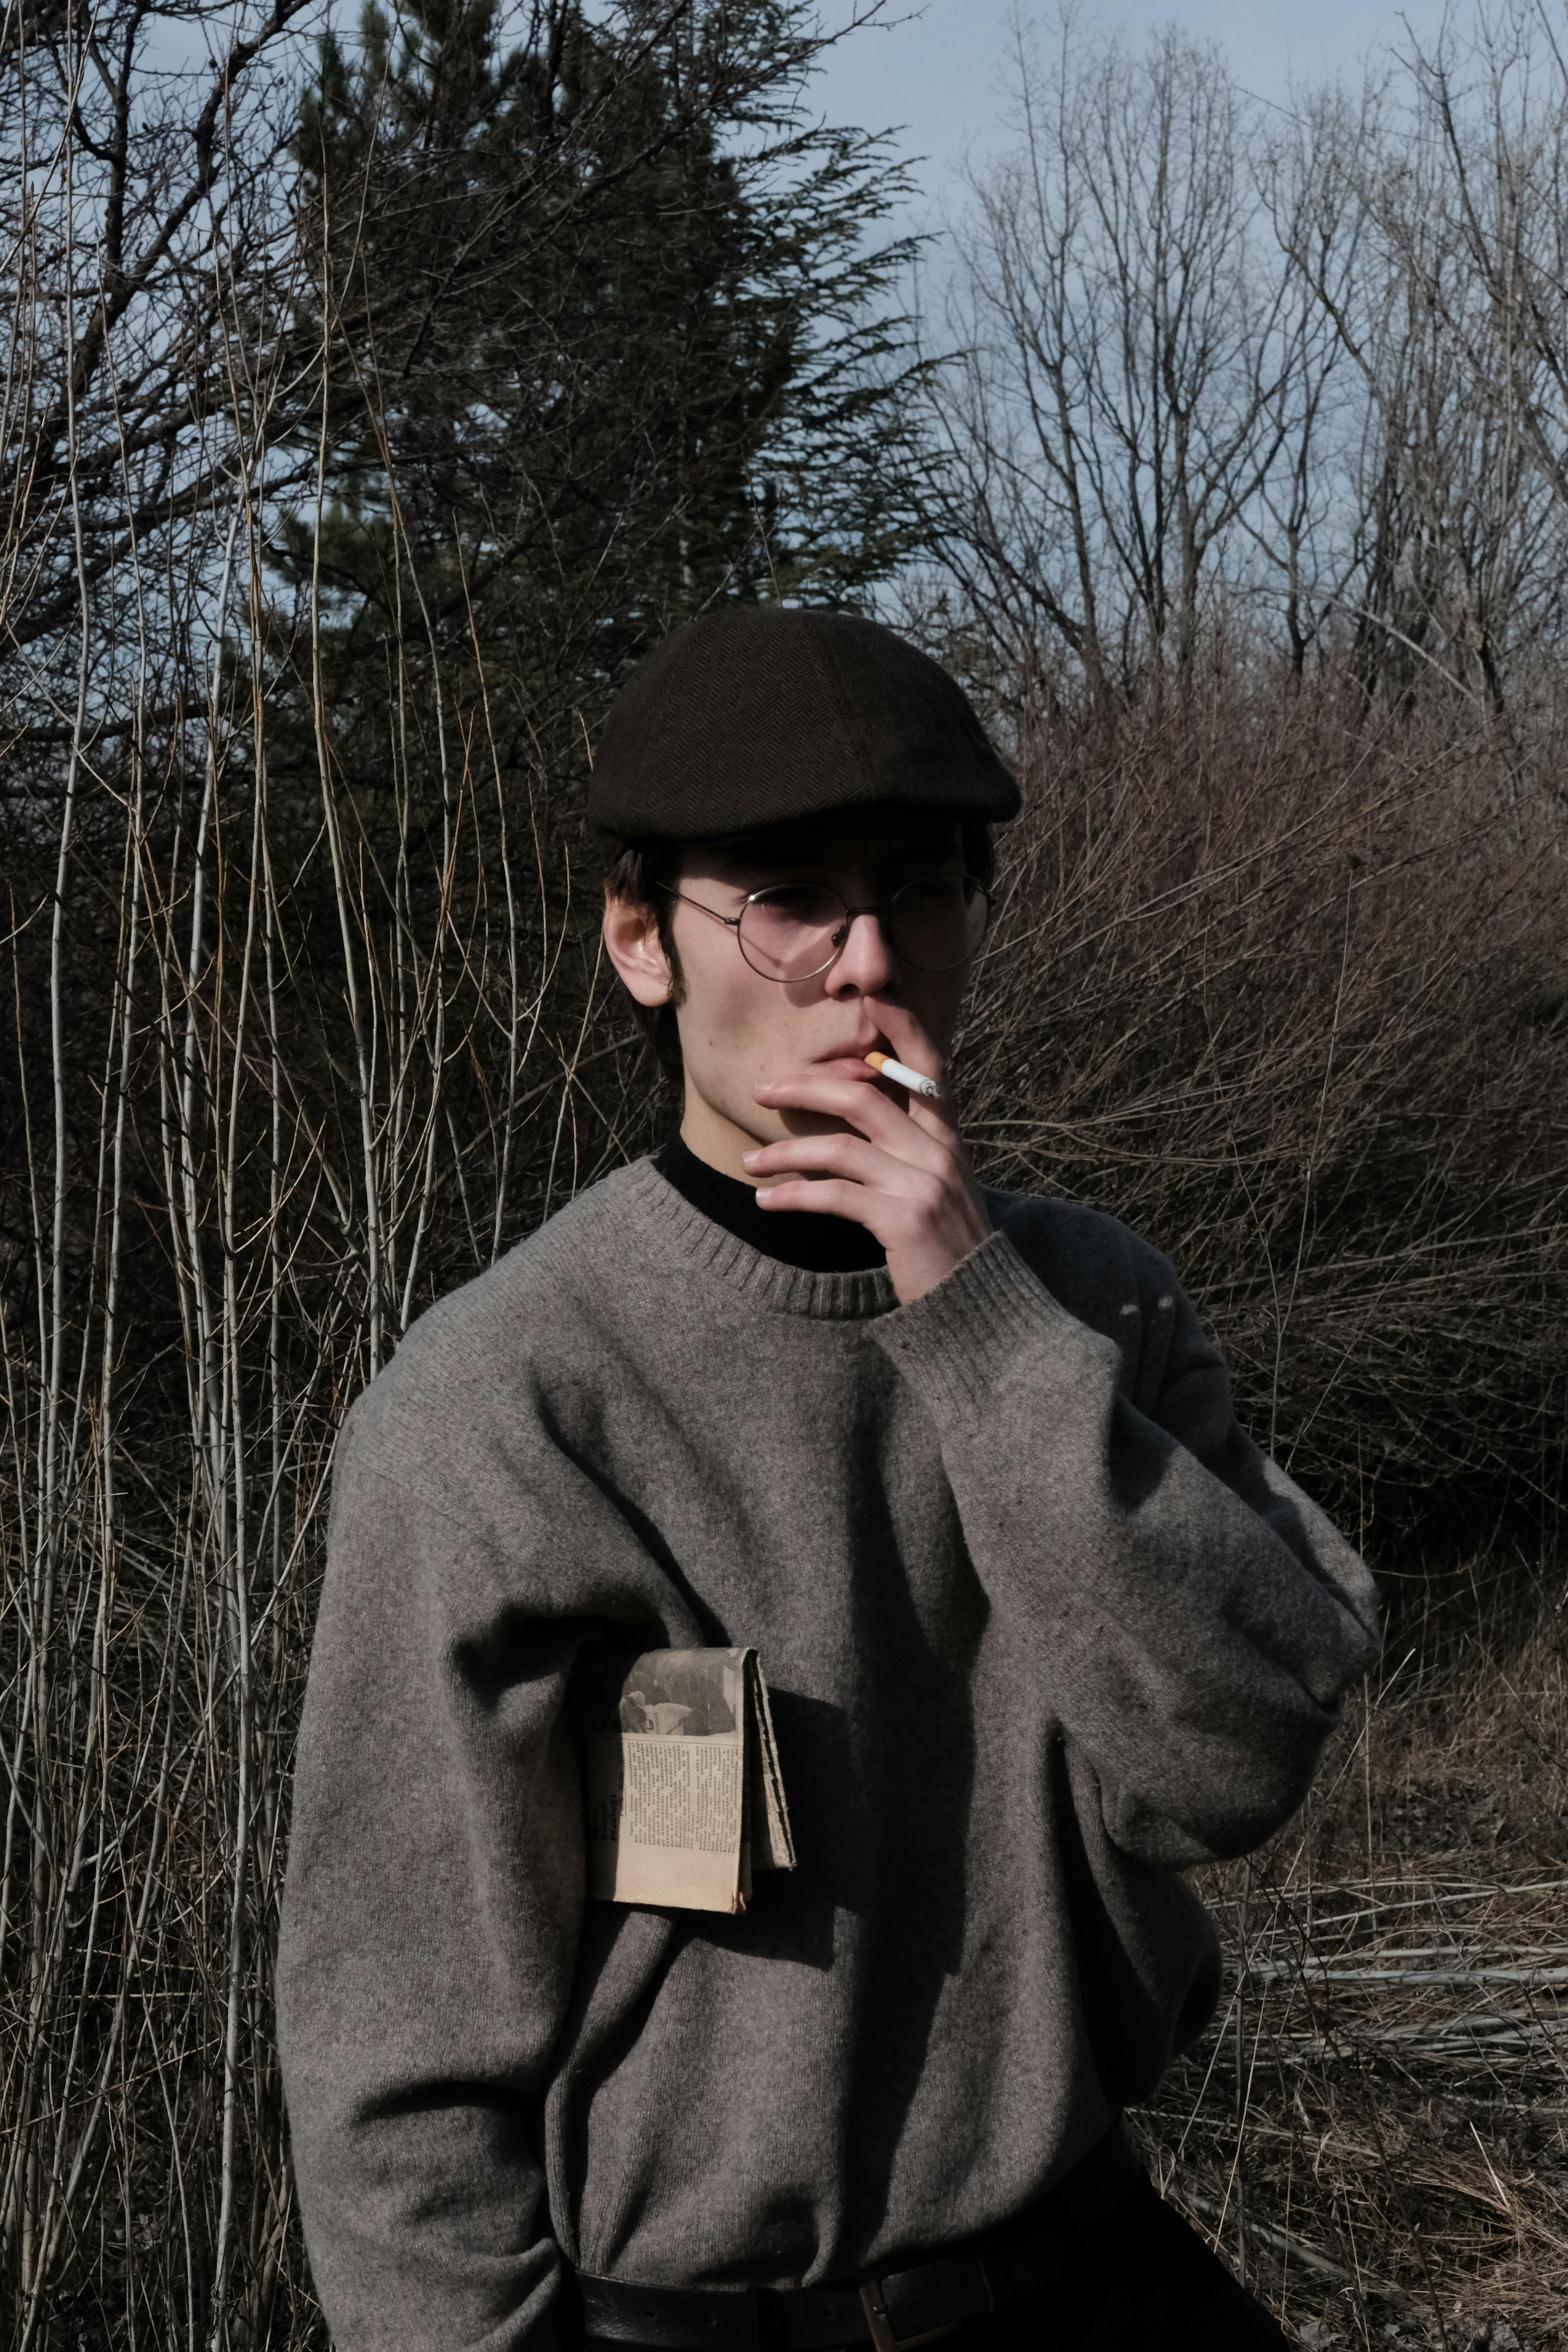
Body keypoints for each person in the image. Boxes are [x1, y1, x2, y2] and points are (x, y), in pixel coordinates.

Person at [277, 608, 1380, 2352]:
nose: (865, 961)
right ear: (642, 942)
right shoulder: (505, 1403)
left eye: (918, 890)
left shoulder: (1092, 1299)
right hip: (699, 2322)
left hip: (1092, 2272)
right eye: (788, 899)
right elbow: (391, 2050)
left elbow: (1232, 1756)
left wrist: (976, 1319)